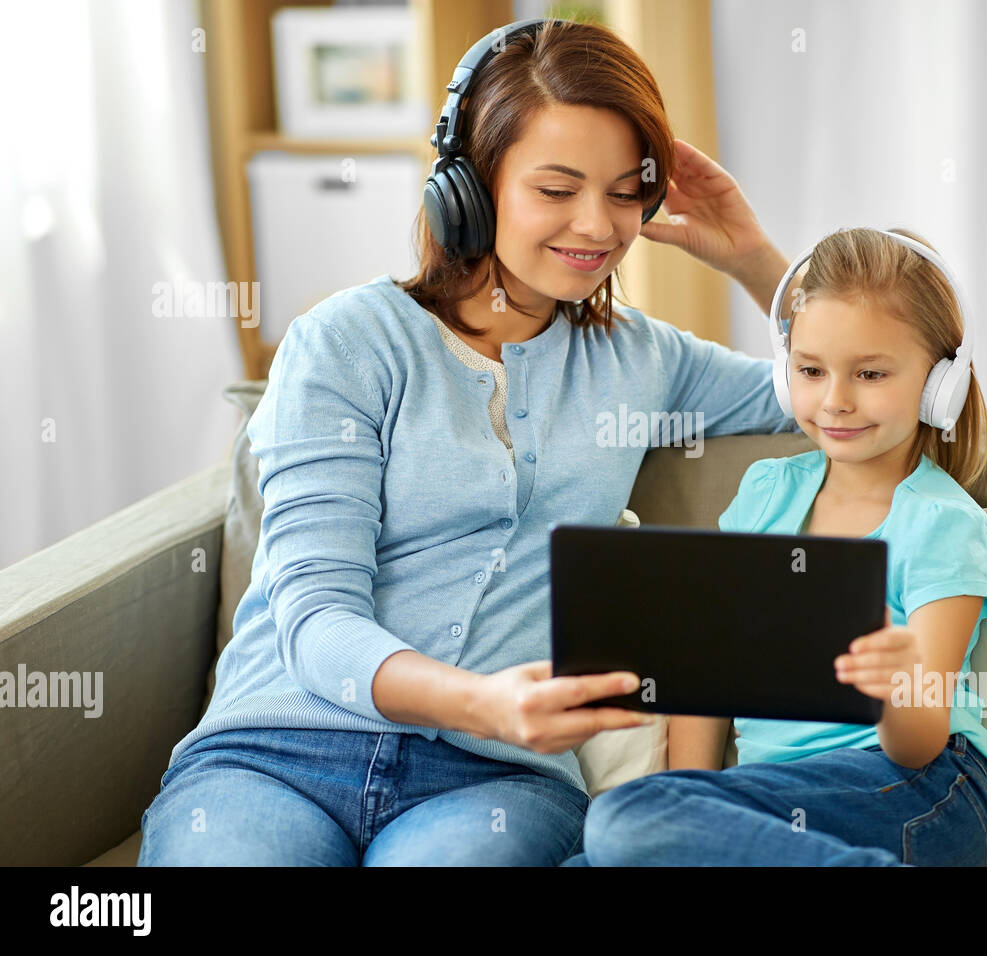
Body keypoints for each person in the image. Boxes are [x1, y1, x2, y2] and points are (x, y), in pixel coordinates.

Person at [137, 18, 796, 866]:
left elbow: (869, 388)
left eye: (626, 191)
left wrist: (753, 257)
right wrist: (480, 700)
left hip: (492, 782)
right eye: (556, 190)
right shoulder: (345, 341)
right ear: (471, 189)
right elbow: (315, 618)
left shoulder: (644, 360)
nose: (598, 226)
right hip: (278, 753)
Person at [565, 227, 987, 866]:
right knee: (608, 845)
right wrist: (694, 800)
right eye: (810, 370)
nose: (835, 400)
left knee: (626, 821)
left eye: (871, 373)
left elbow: (919, 743)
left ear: (942, 382)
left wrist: (895, 685)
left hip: (918, 789)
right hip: (775, 806)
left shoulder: (944, 523)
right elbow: (707, 670)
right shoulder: (767, 492)